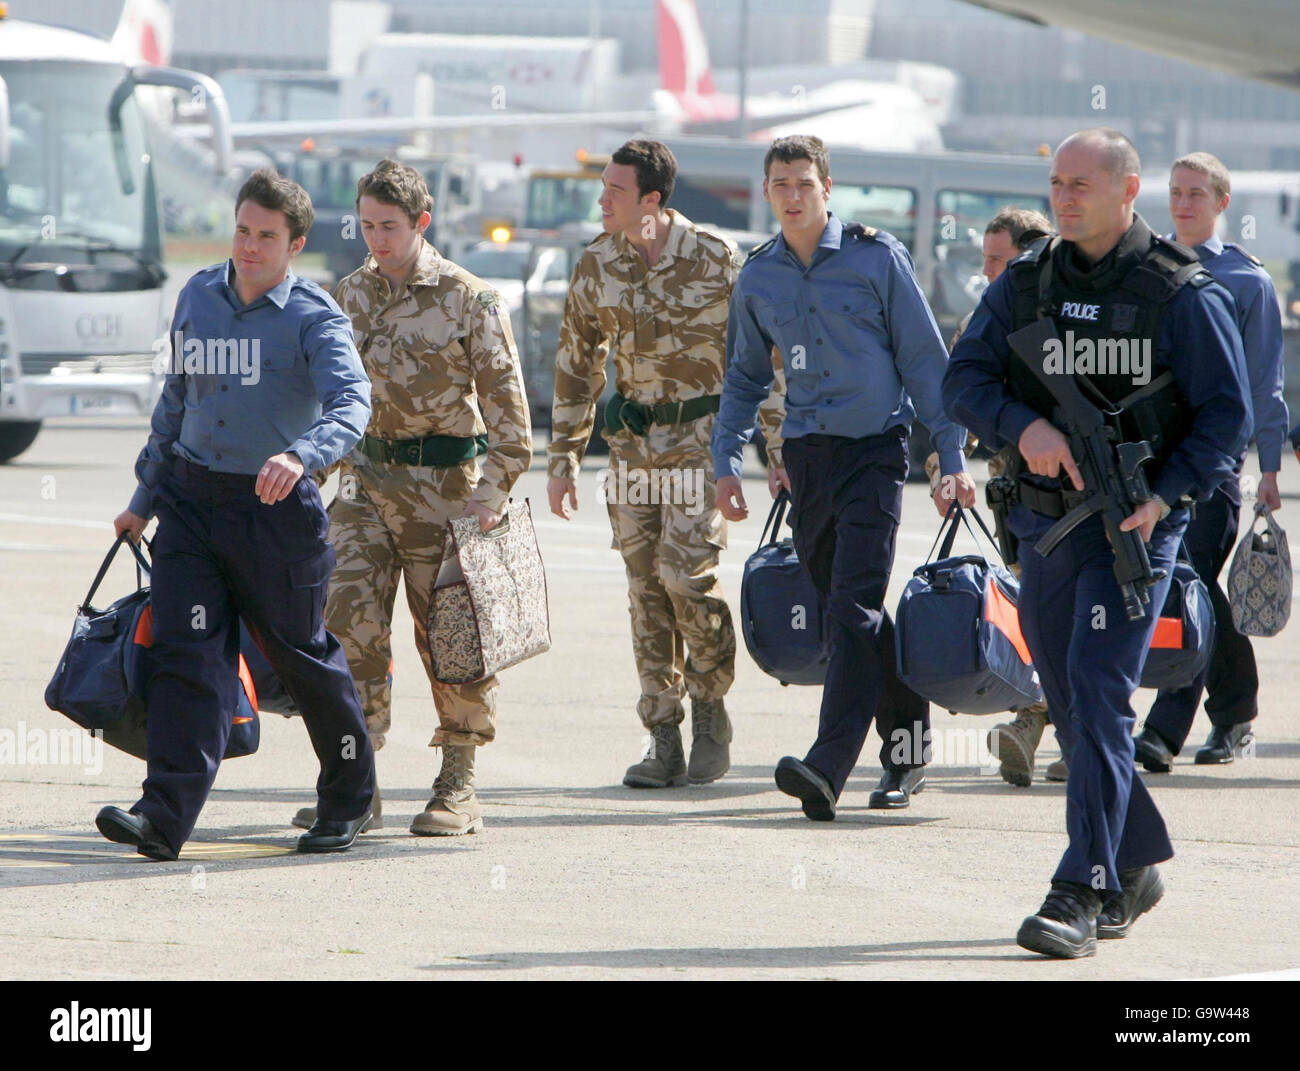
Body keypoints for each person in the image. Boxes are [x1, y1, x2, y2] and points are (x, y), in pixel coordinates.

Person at [943, 128, 1251, 957]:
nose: (1064, 196)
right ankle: (1135, 861)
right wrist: (1025, 425)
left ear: (1128, 188)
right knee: (1074, 704)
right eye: (1055, 182)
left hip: (1134, 527)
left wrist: (1164, 495)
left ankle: (1080, 886)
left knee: (1098, 690)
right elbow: (962, 380)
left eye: (1082, 182)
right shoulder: (1025, 284)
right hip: (1044, 524)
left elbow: (1228, 416)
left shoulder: (1181, 293)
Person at [98, 169, 377, 860]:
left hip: (273, 511)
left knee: (301, 657)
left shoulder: (315, 316)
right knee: (186, 654)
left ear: (295, 243)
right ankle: (163, 817)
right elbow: (175, 401)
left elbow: (353, 404)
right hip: (190, 503)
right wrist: (142, 500)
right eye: (243, 231)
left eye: (267, 237)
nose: (249, 248)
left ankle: (347, 799)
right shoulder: (197, 295)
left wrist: (302, 455)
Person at [714, 134, 976, 821]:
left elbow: (924, 361)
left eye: (805, 183)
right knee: (849, 610)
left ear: (828, 188)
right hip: (807, 458)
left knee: (853, 606)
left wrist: (950, 457)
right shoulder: (759, 274)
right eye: (780, 184)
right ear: (767, 192)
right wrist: (724, 463)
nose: (793, 196)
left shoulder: (874, 256)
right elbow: (743, 375)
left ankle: (828, 765)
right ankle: (912, 745)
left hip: (874, 452)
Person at [288, 159, 532, 837]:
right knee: (345, 625)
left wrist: (490, 496)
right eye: (367, 225)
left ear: (422, 223)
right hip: (365, 487)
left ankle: (458, 780)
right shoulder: (350, 294)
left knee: (452, 638)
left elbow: (510, 420)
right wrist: (306, 471)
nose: (377, 239)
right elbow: (335, 400)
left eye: (390, 226)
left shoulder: (469, 298)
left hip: (446, 494)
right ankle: (354, 780)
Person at [548, 139, 782, 788]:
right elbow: (577, 362)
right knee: (646, 590)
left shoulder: (714, 258)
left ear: (652, 200)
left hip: (701, 447)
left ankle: (710, 706)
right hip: (631, 454)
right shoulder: (597, 262)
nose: (602, 200)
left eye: (615, 191)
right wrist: (564, 455)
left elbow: (762, 356)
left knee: (685, 577)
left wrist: (776, 446)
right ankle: (662, 734)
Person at [1133, 152, 1289, 772]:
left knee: (1186, 580)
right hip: (1147, 461)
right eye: (1175, 192)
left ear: (1222, 203)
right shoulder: (1144, 268)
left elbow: (1264, 383)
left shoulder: (1248, 281)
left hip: (1215, 466)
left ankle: (1162, 731)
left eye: (1197, 193)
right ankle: (1235, 712)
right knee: (1195, 593)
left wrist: (1270, 470)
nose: (1183, 203)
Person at [927, 208, 1065, 788]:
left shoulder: (1062, 313)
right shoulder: (984, 319)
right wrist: (947, 466)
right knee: (1034, 613)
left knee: (1075, 617)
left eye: (997, 258)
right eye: (983, 257)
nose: (986, 269)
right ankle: (1041, 725)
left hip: (1073, 494)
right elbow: (957, 398)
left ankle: (1069, 731)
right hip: (1016, 501)